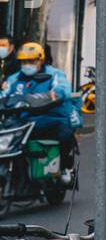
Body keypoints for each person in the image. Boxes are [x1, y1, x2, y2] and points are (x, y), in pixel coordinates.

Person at [0, 41, 79, 175]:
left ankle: (65, 168)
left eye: (31, 61)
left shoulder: (55, 75)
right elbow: (4, 95)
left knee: (65, 135)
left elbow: (62, 90)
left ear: (41, 60)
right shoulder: (13, 79)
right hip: (23, 122)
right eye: (24, 62)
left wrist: (42, 98)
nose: (27, 65)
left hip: (51, 119)